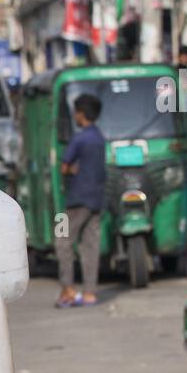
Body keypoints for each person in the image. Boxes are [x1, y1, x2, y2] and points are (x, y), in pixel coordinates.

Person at [54, 94, 106, 308]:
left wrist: (72, 169)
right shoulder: (99, 138)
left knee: (61, 239)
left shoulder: (79, 138)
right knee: (90, 246)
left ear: (81, 114)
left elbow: (64, 166)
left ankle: (67, 289)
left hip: (76, 201)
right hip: (96, 200)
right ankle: (90, 293)